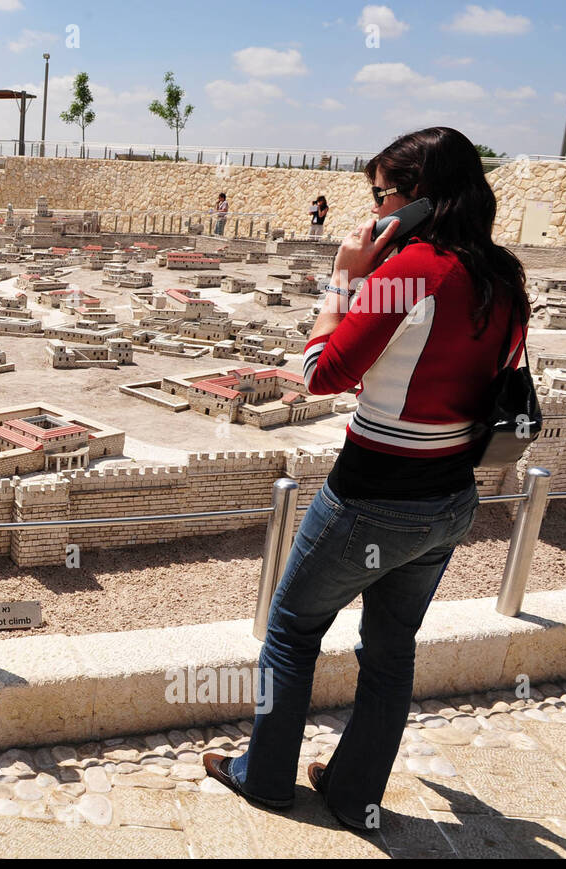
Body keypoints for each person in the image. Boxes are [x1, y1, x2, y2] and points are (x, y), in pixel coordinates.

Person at [203, 127, 530, 833]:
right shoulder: (505, 275)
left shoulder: (413, 268)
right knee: (390, 651)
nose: (374, 208)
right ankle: (354, 793)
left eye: (381, 194)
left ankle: (264, 778)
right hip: (451, 500)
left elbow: (322, 373)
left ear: (415, 200)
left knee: (292, 630)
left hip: (373, 496)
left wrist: (343, 279)